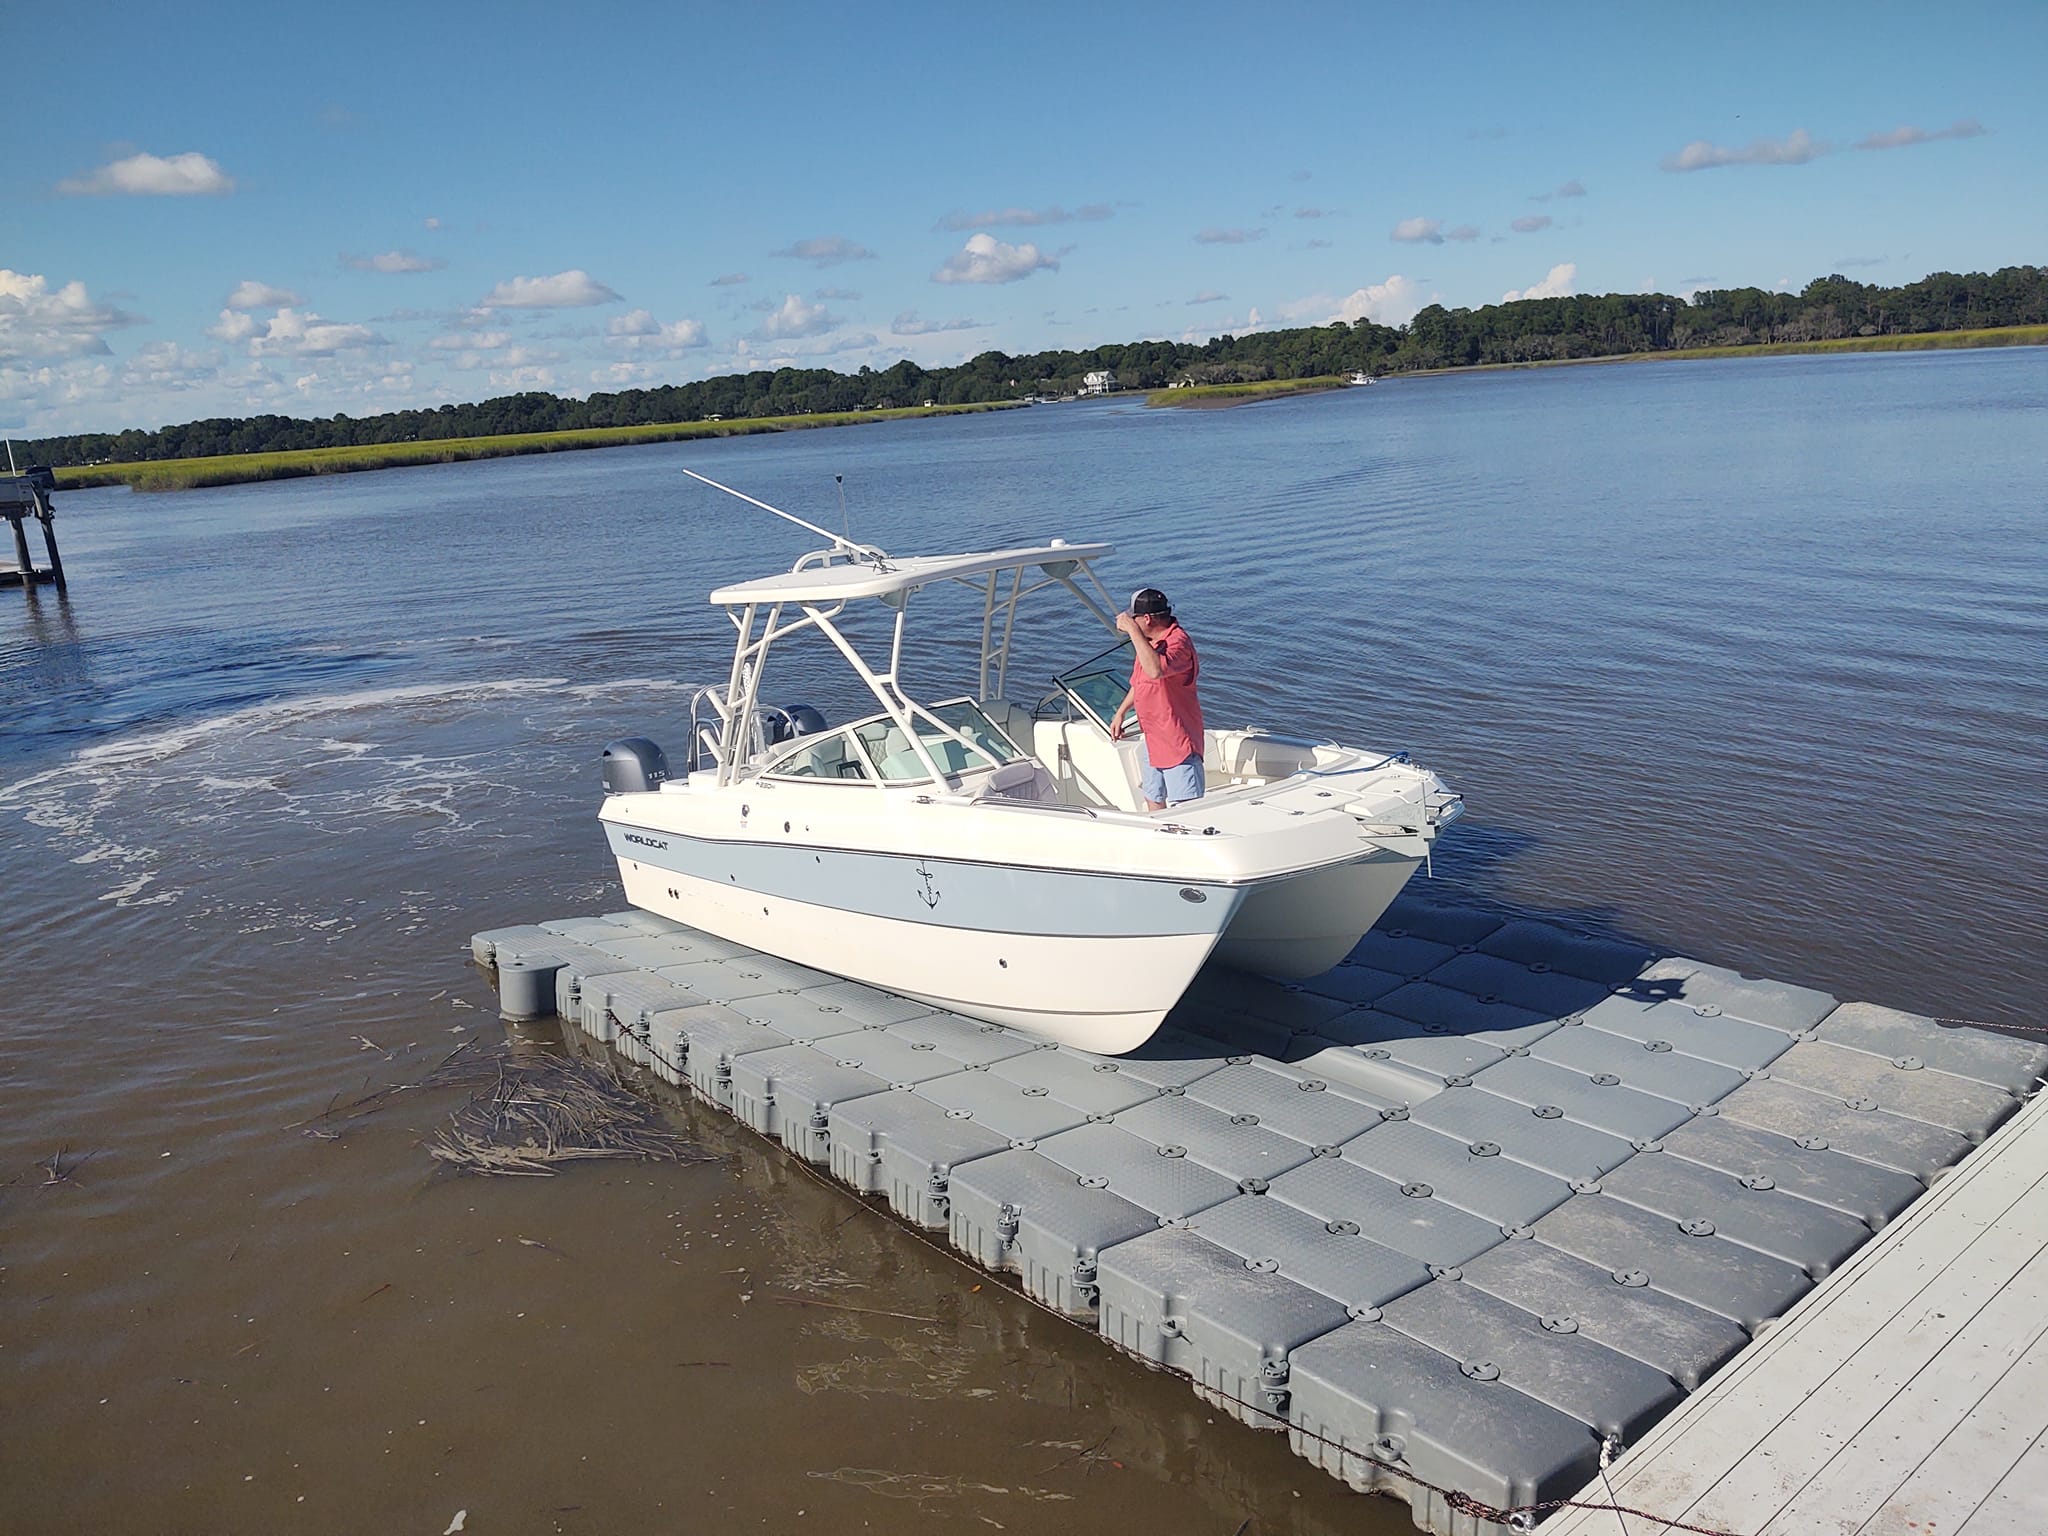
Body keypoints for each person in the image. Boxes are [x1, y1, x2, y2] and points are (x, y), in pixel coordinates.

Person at [1109, 587, 1205, 809]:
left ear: (1147, 619)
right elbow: (1140, 681)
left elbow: (1155, 671)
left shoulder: (1178, 643)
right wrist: (1121, 712)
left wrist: (1133, 631)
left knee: (1185, 809)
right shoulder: (1149, 644)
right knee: (1153, 798)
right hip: (1154, 739)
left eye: (1135, 618)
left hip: (1178, 742)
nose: (1131, 622)